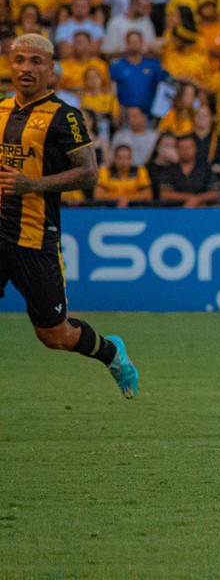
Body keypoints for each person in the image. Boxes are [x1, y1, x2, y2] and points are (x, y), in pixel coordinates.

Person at [0, 34, 138, 398]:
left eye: (35, 61)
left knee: (54, 335)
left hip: (33, 238)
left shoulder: (65, 117)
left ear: (51, 70)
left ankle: (111, 352)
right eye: (19, 60)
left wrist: (33, 184)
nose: (25, 68)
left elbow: (89, 173)